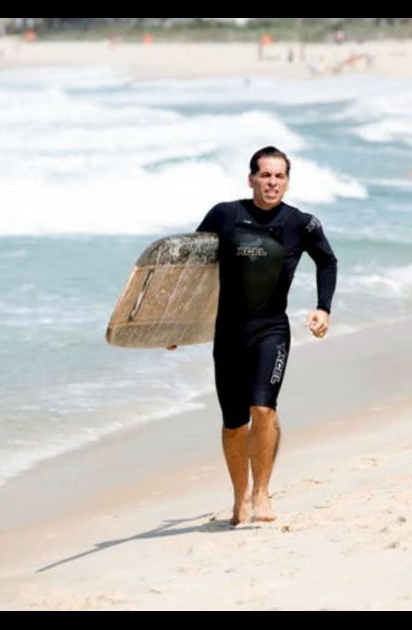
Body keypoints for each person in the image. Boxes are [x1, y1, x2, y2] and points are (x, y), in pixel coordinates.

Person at [168, 146, 338, 526]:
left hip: (271, 331)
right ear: (251, 179)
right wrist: (177, 320)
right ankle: (239, 497)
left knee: (263, 409)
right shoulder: (225, 214)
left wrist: (323, 307)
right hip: (227, 333)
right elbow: (193, 263)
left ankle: (261, 491)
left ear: (287, 181)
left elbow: (327, 260)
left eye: (279, 176)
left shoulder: (302, 224)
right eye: (265, 175)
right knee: (233, 424)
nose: (272, 182)